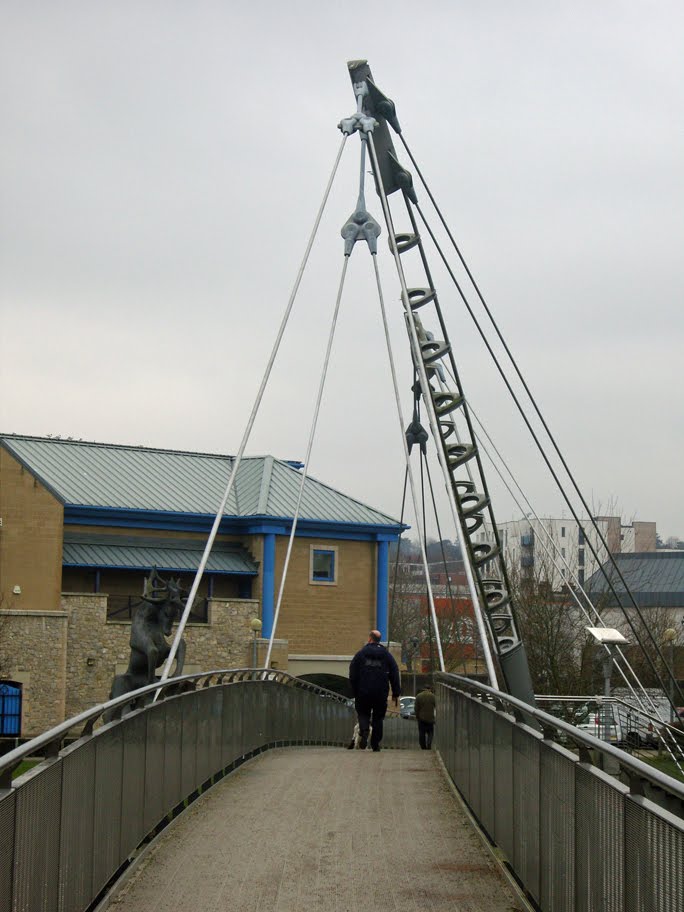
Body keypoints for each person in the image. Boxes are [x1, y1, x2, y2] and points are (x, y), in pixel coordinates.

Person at [349, 630, 400, 752]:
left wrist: (354, 690)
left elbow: (353, 673)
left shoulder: (360, 654)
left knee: (363, 713)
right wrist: (396, 692)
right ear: (379, 640)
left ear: (370, 639)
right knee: (378, 718)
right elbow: (394, 673)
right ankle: (375, 744)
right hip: (380, 692)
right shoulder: (387, 656)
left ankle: (364, 730)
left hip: (363, 691)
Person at [415, 684, 436, 750]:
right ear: (429, 689)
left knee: (422, 733)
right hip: (430, 718)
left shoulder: (418, 696)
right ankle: (429, 744)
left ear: (423, 688)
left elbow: (416, 708)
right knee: (430, 732)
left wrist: (417, 716)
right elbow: (436, 706)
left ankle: (423, 747)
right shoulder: (433, 696)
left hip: (421, 718)